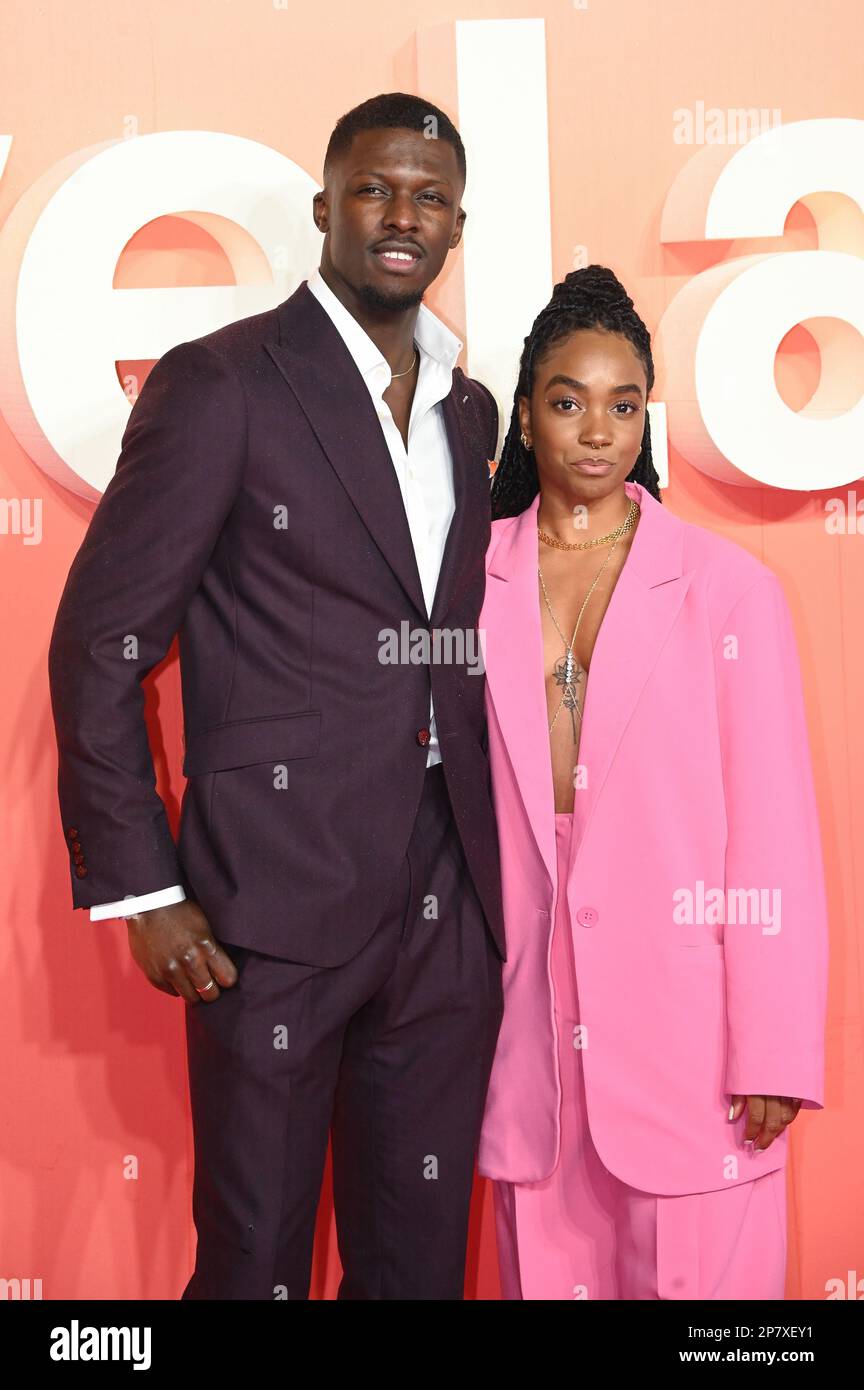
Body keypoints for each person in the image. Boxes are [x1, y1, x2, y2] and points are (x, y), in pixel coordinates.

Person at [48, 92, 505, 1301]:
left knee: (415, 1269)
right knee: (255, 1264)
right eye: (375, 188)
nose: (402, 216)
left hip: (446, 902)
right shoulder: (224, 384)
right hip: (270, 906)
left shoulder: (471, 407)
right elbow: (101, 640)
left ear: (457, 224)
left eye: (429, 196)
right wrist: (145, 887)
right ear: (324, 208)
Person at [477, 264, 828, 1300]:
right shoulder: (463, 581)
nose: (598, 429)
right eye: (569, 401)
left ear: (648, 416)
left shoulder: (730, 592)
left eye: (624, 403)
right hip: (524, 1048)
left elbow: (773, 836)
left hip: (694, 1050)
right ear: (528, 420)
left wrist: (772, 1048)